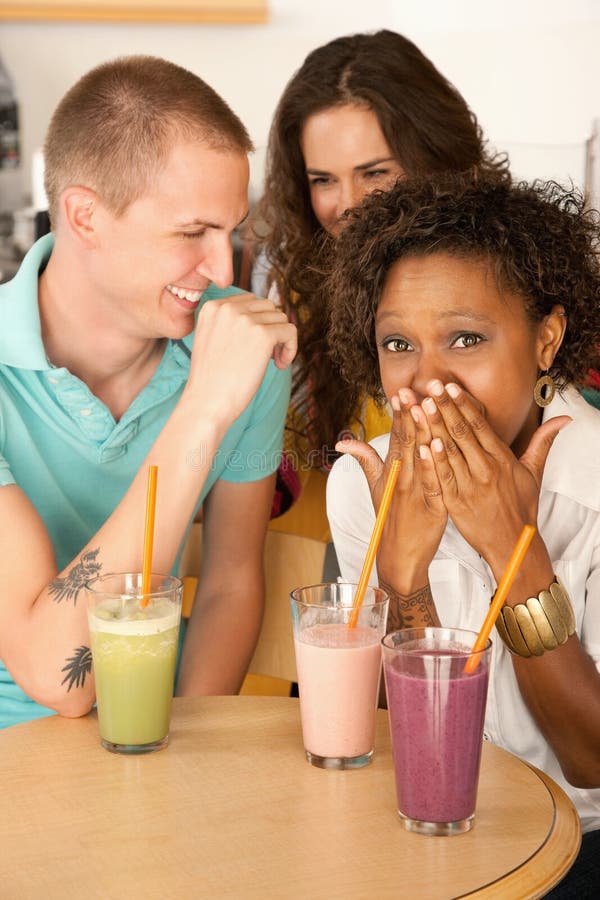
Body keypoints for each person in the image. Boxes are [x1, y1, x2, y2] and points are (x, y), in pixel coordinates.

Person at [0, 56, 296, 729]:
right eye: (192, 233)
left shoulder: (242, 352)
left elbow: (230, 585)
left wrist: (173, 775)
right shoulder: (222, 375)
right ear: (84, 217)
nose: (224, 269)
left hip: (160, 742)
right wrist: (201, 410)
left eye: (232, 231)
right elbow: (58, 675)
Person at [326, 173, 600, 892]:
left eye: (466, 338)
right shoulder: (364, 488)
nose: (425, 383)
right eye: (398, 344)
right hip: (432, 826)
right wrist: (404, 581)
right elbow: (430, 762)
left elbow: (592, 762)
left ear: (547, 338)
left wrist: (518, 558)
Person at [255, 29, 509, 510]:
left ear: (437, 159)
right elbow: (264, 479)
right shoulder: (294, 297)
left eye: (375, 172)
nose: (349, 206)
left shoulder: (509, 281)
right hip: (332, 570)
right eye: (323, 180)